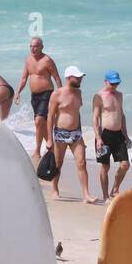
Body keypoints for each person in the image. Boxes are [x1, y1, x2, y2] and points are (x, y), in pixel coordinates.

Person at [48, 66, 99, 204]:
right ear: (68, 78)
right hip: (60, 133)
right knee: (58, 163)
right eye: (77, 77)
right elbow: (50, 116)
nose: (80, 79)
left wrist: (80, 133)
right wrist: (49, 139)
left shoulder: (78, 93)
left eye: (81, 77)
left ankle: (86, 194)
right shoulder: (56, 94)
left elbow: (77, 114)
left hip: (76, 133)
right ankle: (54, 189)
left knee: (82, 163)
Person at [14, 37, 62, 162]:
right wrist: (18, 92)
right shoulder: (28, 60)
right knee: (41, 123)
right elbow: (24, 78)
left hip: (47, 94)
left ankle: (37, 150)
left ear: (41, 47)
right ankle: (52, 147)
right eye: (31, 46)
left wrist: (62, 95)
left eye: (35, 46)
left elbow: (56, 78)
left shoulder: (47, 60)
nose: (32, 48)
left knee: (39, 120)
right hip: (34, 96)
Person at [92, 71, 131, 198]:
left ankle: (115, 189)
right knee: (105, 166)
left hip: (118, 134)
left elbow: (121, 114)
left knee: (125, 164)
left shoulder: (120, 95)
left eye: (117, 83)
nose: (115, 86)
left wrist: (126, 135)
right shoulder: (99, 96)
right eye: (112, 83)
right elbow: (95, 118)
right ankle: (105, 196)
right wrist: (98, 138)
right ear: (106, 81)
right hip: (104, 134)